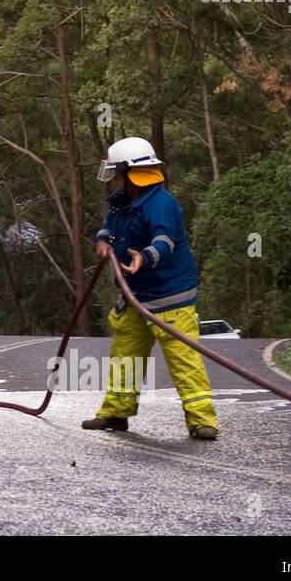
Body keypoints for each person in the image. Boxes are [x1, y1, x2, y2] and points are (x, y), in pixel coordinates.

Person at [83, 137, 219, 440]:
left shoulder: (161, 204)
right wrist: (103, 241)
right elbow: (108, 227)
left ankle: (202, 421)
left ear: (130, 173)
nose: (115, 181)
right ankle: (116, 413)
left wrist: (144, 257)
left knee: (184, 360)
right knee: (125, 356)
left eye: (118, 174)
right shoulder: (121, 203)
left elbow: (164, 241)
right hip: (134, 298)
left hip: (170, 298)